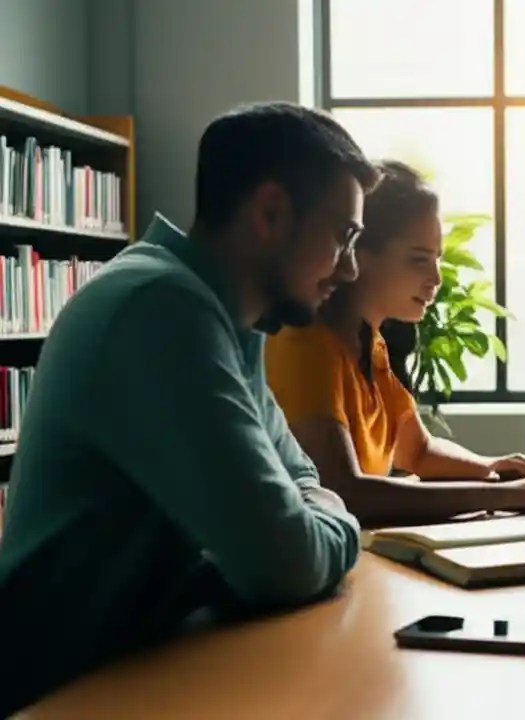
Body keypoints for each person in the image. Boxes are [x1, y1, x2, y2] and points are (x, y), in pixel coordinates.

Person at [0, 103, 375, 713]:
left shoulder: (229, 321)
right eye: (345, 236)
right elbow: (285, 562)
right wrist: (340, 517)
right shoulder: (160, 309)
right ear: (271, 212)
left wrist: (311, 506)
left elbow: (301, 477)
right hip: (61, 694)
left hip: (145, 666)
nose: (351, 268)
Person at [266, 160, 525, 526]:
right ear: (360, 254)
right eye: (419, 260)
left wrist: (489, 468)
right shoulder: (306, 344)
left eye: (437, 260)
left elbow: (417, 450)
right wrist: (504, 496)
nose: (435, 278)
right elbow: (344, 492)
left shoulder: (369, 344)